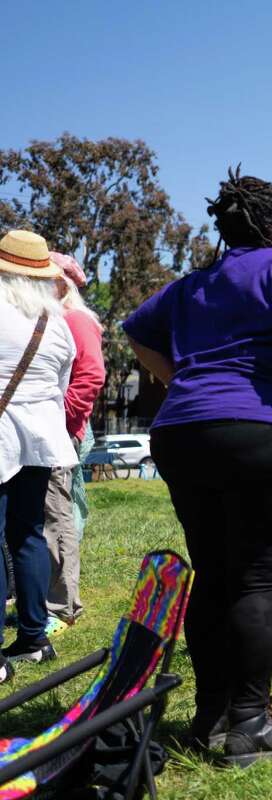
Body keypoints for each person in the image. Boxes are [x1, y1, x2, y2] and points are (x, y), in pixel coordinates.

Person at [124, 169, 272, 765]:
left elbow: (135, 331)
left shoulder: (195, 283)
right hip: (270, 432)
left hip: (184, 432)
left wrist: (188, 382)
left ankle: (212, 717)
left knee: (217, 570)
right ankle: (251, 725)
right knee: (258, 576)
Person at [0, 230, 78, 680]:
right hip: (41, 439)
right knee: (28, 534)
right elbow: (60, 388)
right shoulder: (57, 323)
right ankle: (34, 638)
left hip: (3, 436)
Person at [43, 252, 104, 633]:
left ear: (62, 284)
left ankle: (62, 605)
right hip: (51, 429)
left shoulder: (76, 320)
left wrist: (64, 421)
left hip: (65, 430)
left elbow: (91, 376)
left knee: (60, 512)